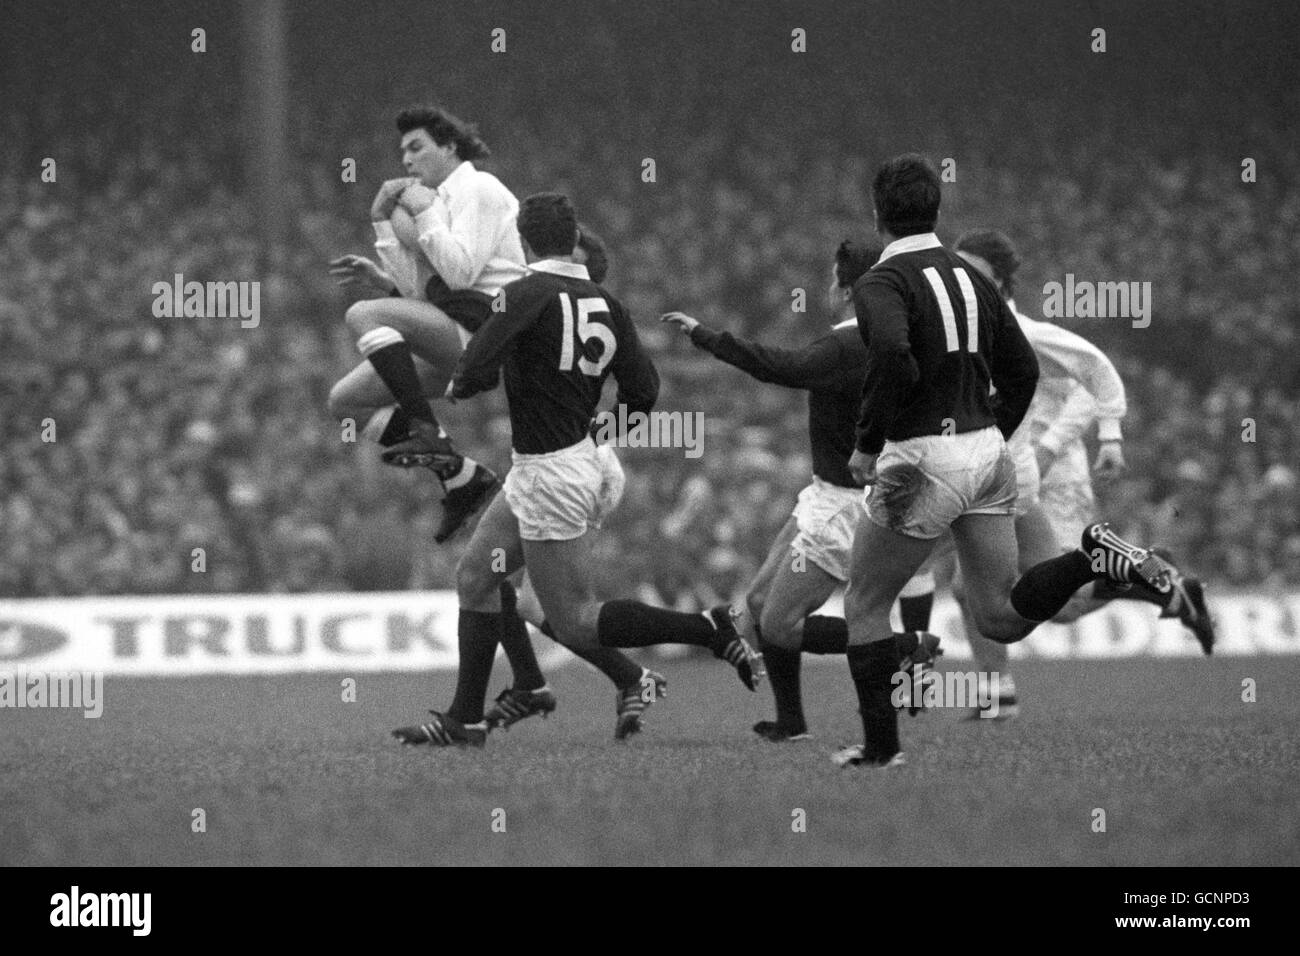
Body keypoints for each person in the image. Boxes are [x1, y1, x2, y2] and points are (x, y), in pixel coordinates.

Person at [838, 154, 1208, 768]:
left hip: (921, 460)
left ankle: (880, 751)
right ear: (936, 209)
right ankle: (1093, 556)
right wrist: (991, 434)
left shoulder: (882, 281)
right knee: (1000, 613)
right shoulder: (971, 279)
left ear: (878, 214)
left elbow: (894, 355)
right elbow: (1024, 369)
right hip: (988, 455)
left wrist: (867, 444)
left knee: (865, 604)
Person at [392, 193, 759, 748]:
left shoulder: (522, 292)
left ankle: (707, 628)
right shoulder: (606, 303)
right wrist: (599, 433)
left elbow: (476, 368)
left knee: (575, 621)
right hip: (558, 463)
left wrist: (460, 384)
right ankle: (463, 720)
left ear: (522, 239)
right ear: (570, 239)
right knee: (475, 576)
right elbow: (645, 390)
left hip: (550, 472)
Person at [660, 239, 941, 743]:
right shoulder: (904, 342)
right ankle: (791, 721)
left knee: (781, 623)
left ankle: (902, 646)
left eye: (832, 278)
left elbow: (779, 368)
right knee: (760, 600)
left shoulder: (846, 345)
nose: (826, 288)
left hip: (844, 506)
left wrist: (707, 337)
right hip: (831, 496)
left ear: (849, 288)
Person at [949, 229, 1214, 718]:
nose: (960, 274)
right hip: (1003, 468)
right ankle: (996, 691)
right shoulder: (965, 330)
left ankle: (1155, 576)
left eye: (973, 267)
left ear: (1002, 280)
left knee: (1063, 608)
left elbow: (1090, 384)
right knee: (969, 588)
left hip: (1054, 470)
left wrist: (1100, 439)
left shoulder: (1021, 331)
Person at [326, 106, 523, 543]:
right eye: (403, 153)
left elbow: (460, 275)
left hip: (491, 332)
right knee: (346, 402)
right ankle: (462, 477)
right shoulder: (432, 203)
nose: (407, 161)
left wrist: (423, 215)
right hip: (454, 328)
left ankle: (426, 431)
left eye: (417, 148)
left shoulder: (478, 188)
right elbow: (418, 292)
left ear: (450, 146)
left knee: (362, 313)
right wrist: (382, 224)